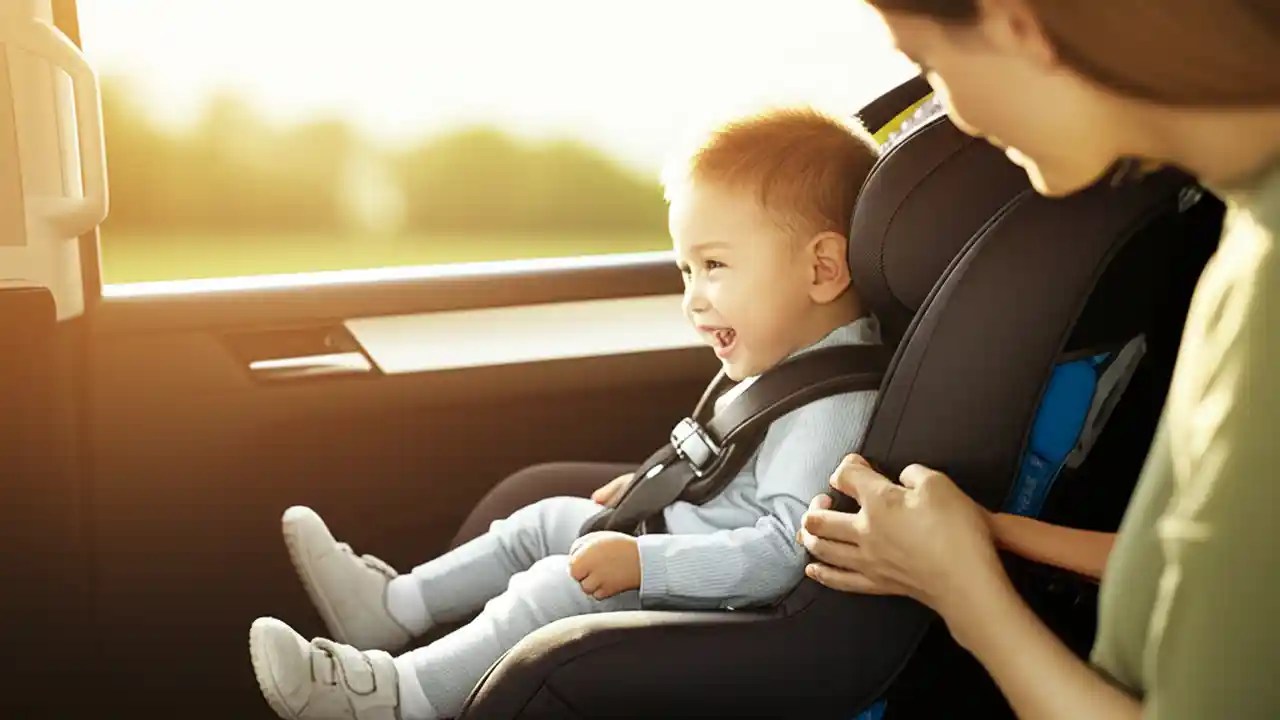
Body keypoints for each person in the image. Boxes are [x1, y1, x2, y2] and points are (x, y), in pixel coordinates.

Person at [246, 107, 884, 720]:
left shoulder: (833, 402)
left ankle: (394, 698)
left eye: (714, 266)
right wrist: (649, 489)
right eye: (686, 270)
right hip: (692, 535)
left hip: (721, 594)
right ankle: (391, 606)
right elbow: (728, 465)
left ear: (823, 268)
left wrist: (643, 563)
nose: (692, 300)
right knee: (545, 520)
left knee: (559, 584)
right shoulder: (792, 360)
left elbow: (782, 551)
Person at [798, 1, 1280, 718]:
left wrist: (961, 590)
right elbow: (1228, 566)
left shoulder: (1265, 283)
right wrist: (985, 534)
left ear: (1015, 25)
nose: (954, 120)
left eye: (929, 66)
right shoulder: (1245, 226)